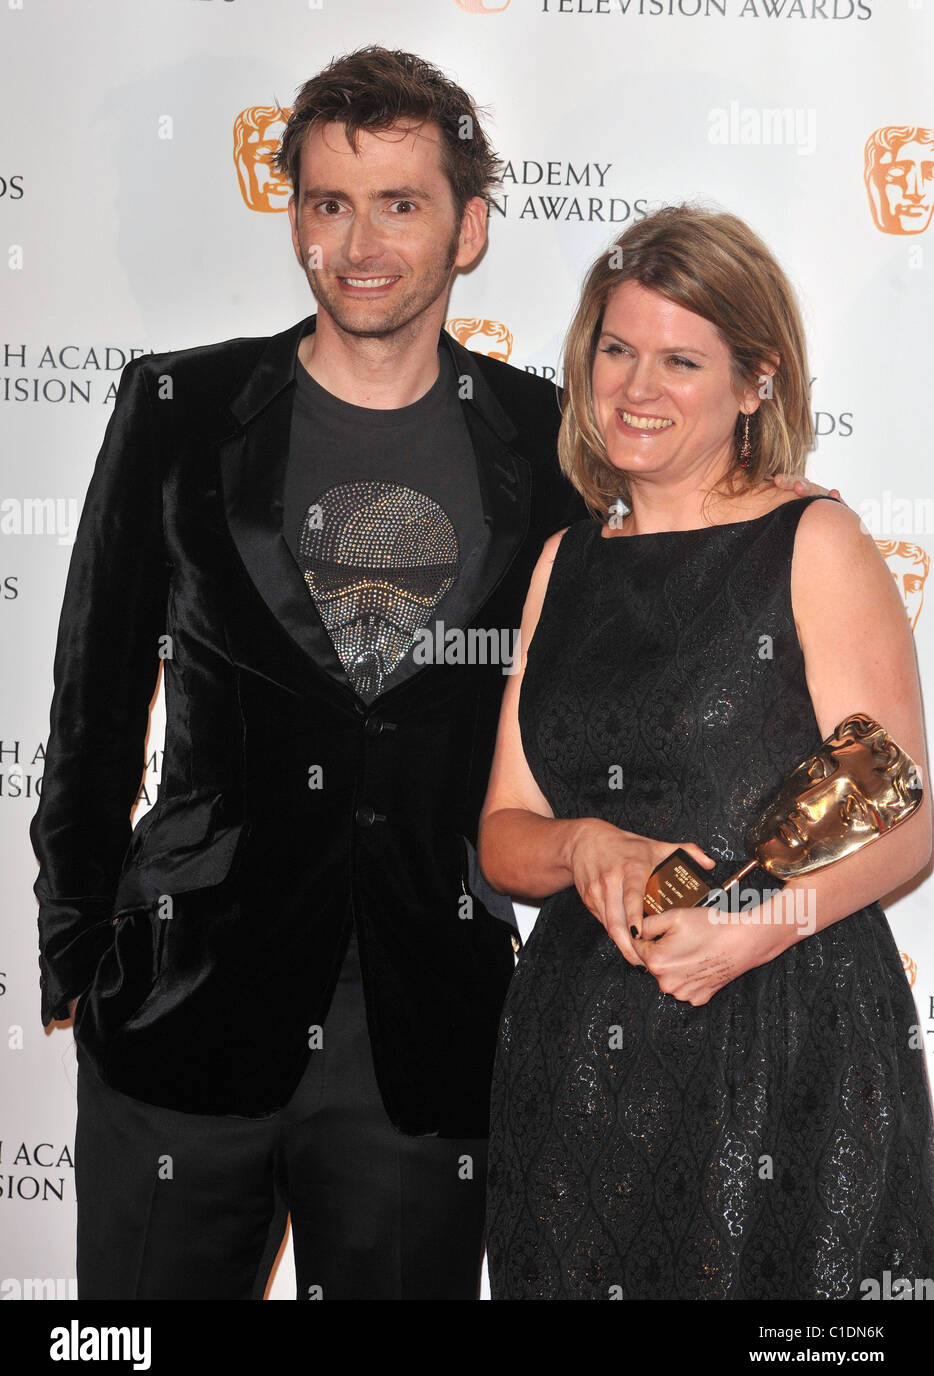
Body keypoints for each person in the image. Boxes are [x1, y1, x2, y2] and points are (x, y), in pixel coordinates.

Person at [29, 49, 827, 1301]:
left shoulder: (550, 443)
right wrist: (78, 949)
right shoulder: (179, 407)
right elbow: (91, 700)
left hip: (426, 1033)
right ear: (292, 213)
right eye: (329, 202)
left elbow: (659, 633)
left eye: (400, 203)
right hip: (184, 1015)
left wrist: (794, 527)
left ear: (470, 227)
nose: (360, 244)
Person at [479, 204, 934, 1300]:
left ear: (754, 382)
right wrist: (580, 843)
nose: (637, 388)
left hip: (795, 1041)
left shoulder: (813, 540)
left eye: (681, 359)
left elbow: (908, 813)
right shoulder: (562, 563)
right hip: (579, 1055)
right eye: (617, 350)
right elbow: (502, 837)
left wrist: (750, 927)